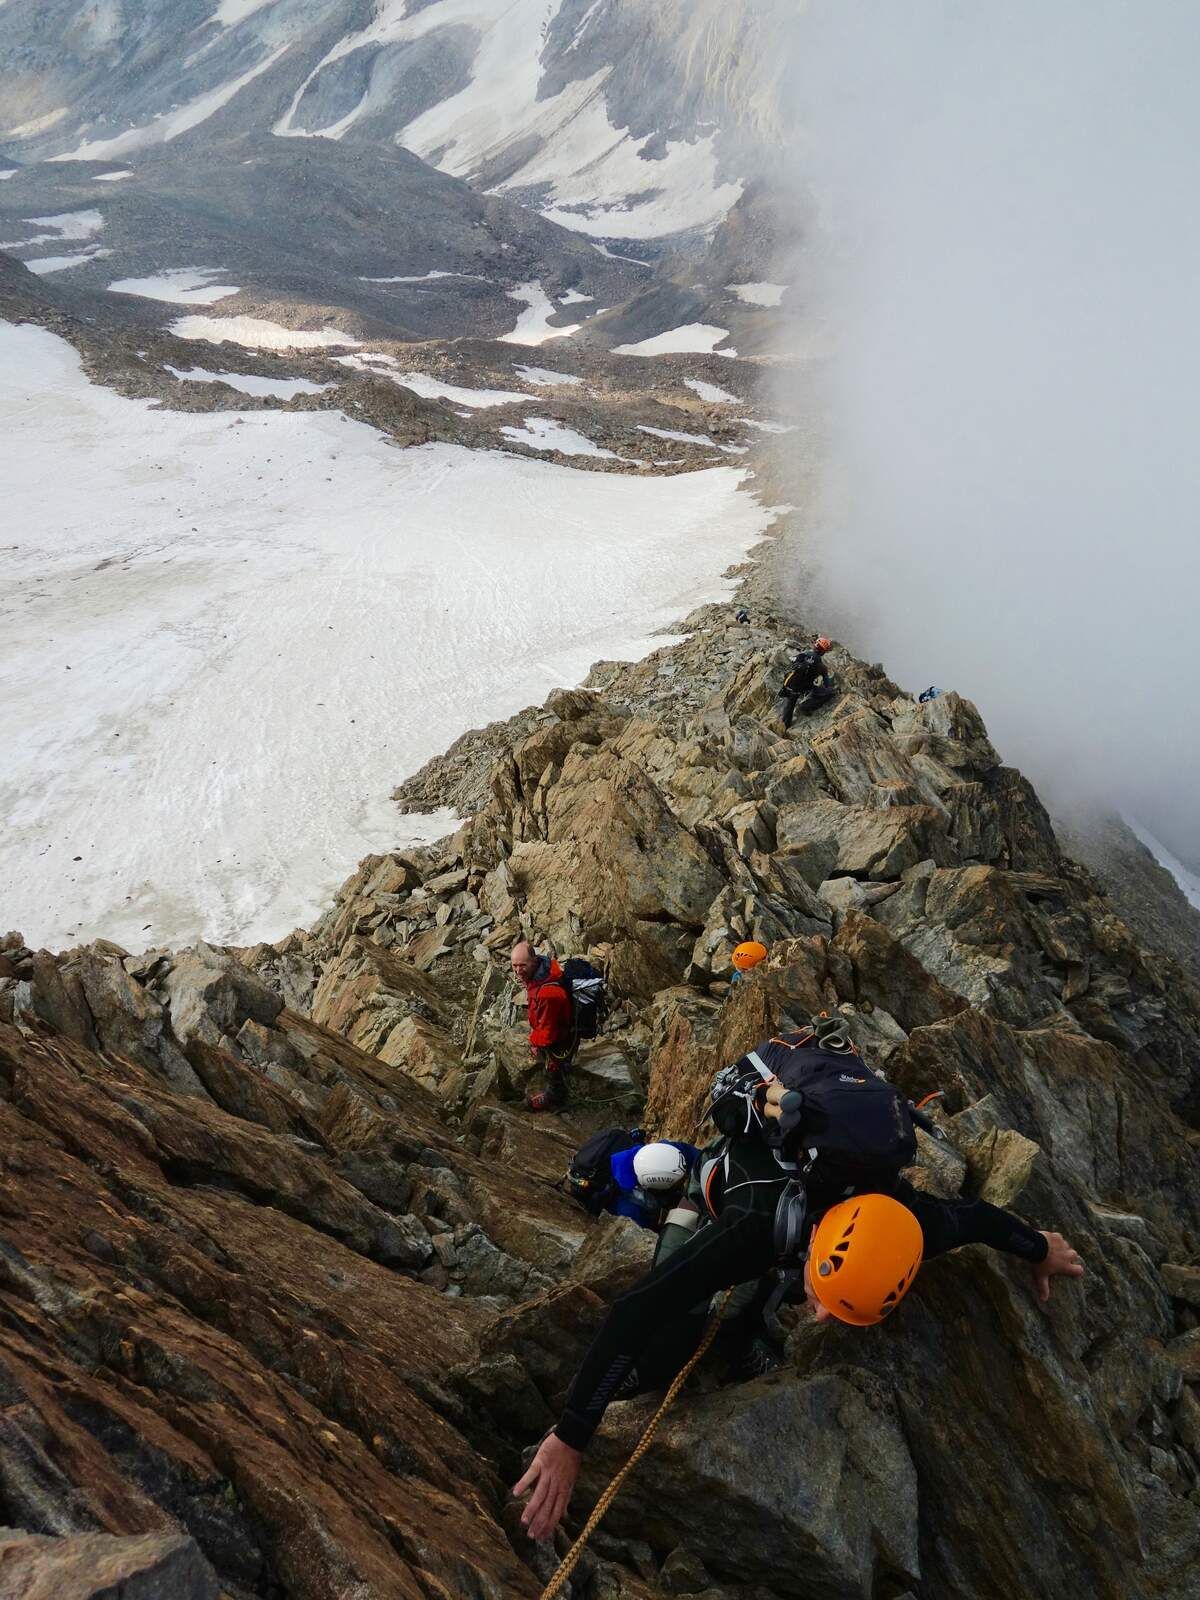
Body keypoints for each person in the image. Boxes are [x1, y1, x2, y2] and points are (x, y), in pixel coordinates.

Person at [513, 1031, 1085, 1541]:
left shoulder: (909, 1224)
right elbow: (638, 1309)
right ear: (815, 1245)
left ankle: (742, 1336)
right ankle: (684, 1358)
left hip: (796, 1194)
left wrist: (1041, 1248)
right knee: (678, 1334)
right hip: (719, 1192)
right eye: (828, 1300)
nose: (820, 1318)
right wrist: (572, 1438)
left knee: (748, 1304)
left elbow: (977, 1220)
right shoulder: (754, 1230)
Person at [511, 941, 577, 1112]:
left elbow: (548, 1035)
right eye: (514, 965)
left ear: (533, 961)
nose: (518, 971)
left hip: (561, 1036)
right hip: (554, 1025)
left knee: (554, 1068)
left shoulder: (548, 993)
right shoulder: (540, 971)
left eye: (522, 965)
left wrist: (534, 1041)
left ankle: (556, 1099)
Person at [779, 636, 835, 729]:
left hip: (791, 685)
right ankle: (805, 707)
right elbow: (826, 684)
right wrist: (828, 687)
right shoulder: (822, 667)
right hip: (804, 689)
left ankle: (784, 725)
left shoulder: (803, 655)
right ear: (823, 652)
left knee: (790, 704)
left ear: (815, 646)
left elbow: (792, 660)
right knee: (829, 693)